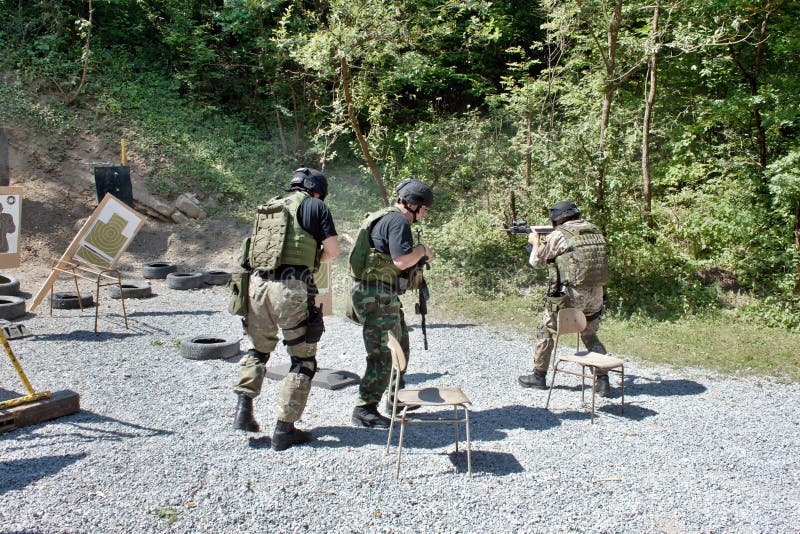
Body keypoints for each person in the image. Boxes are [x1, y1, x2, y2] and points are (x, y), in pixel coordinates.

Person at [232, 167, 340, 451]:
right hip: (291, 288)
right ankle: (284, 429)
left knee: (258, 349)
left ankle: (243, 410)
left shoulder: (270, 206)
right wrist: (314, 258)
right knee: (302, 360)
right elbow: (333, 250)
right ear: (316, 191)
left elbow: (250, 249)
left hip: (257, 285)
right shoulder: (316, 206)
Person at [348, 178, 434, 428]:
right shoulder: (397, 221)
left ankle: (396, 397)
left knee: (401, 344)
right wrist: (422, 250)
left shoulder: (385, 217)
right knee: (383, 351)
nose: (425, 214)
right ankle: (365, 408)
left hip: (380, 292)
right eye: (425, 209)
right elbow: (401, 261)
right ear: (414, 205)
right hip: (376, 294)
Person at [518, 201, 612, 397]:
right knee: (589, 334)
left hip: (573, 293)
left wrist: (535, 242)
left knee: (545, 329)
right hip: (597, 293)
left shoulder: (560, 234)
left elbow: (537, 261)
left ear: (558, 218)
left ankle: (538, 376)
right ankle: (603, 381)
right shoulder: (595, 230)